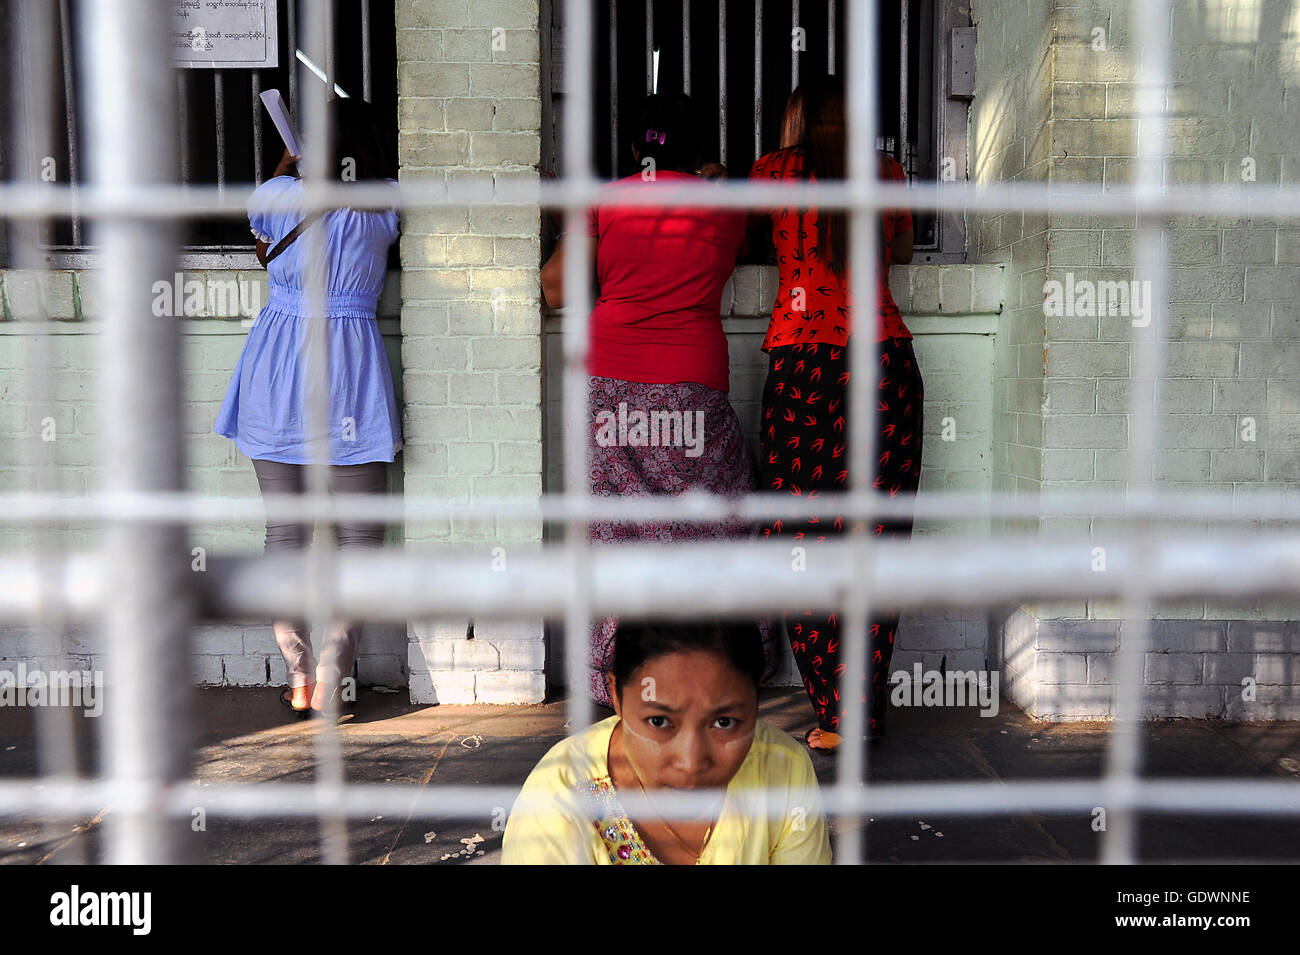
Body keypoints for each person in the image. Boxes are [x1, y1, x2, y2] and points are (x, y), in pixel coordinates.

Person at [540, 94, 779, 707]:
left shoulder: (607, 199)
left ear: (631, 151)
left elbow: (558, 289)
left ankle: (613, 679)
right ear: (700, 152)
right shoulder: (721, 206)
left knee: (617, 533)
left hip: (611, 382)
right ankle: (728, 670)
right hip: (694, 384)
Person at [749, 78, 923, 751]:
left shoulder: (771, 173)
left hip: (805, 368)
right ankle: (862, 712)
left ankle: (835, 710)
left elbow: (750, 243)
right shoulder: (884, 172)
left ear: (794, 120)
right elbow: (902, 253)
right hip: (887, 365)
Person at [213, 97, 401, 716]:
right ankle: (330, 681)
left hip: (276, 370)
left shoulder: (276, 195)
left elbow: (266, 215)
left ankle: (295, 675)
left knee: (286, 534)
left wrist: (289, 162)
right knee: (360, 541)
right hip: (350, 375)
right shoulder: (385, 204)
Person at [500, 620, 831, 864]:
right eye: (659, 721)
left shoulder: (782, 769)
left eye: (724, 722)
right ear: (616, 694)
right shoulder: (556, 799)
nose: (690, 761)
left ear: (756, 697)